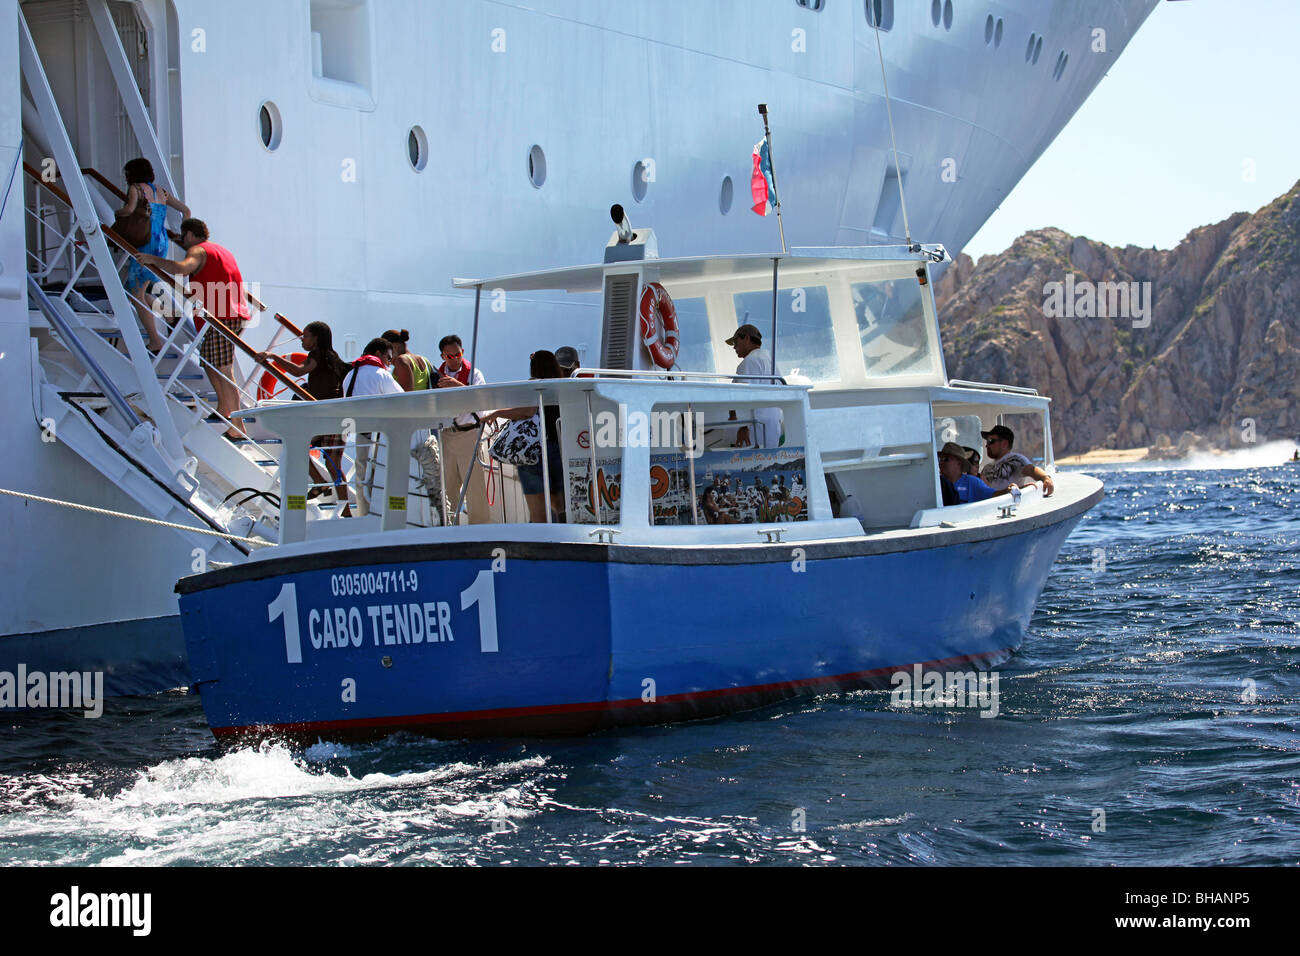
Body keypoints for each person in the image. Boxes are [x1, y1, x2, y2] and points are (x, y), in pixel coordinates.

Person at [138, 218, 249, 438]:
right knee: (210, 362)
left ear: (189, 234)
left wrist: (153, 260)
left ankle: (237, 424)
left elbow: (182, 268)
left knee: (224, 369)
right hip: (229, 313)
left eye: (183, 236)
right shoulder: (220, 250)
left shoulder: (198, 251)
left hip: (221, 315)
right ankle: (224, 409)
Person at [257, 321, 350, 509]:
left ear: (316, 339)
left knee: (295, 445)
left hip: (323, 418)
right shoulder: (333, 357)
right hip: (336, 417)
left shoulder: (317, 355)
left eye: (305, 336)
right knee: (334, 466)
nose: (302, 339)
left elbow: (298, 371)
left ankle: (320, 482)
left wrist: (273, 356)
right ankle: (345, 508)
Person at [118, 158, 190, 353]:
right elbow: (185, 210)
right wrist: (185, 233)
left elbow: (129, 210)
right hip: (161, 242)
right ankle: (169, 314)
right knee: (137, 289)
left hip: (145, 243)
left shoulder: (136, 189)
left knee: (136, 292)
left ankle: (155, 340)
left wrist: (118, 214)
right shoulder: (161, 191)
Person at [489, 350, 565, 523]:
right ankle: (562, 538)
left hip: (533, 451)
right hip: (557, 449)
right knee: (558, 503)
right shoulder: (561, 385)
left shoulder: (534, 384)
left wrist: (498, 413)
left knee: (537, 508)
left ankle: (541, 545)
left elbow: (527, 411)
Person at [343, 338, 403, 516]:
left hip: (361, 434)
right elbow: (402, 400)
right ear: (379, 354)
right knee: (383, 475)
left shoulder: (350, 374)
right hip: (381, 436)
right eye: (389, 358)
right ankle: (385, 514)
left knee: (362, 475)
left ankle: (364, 513)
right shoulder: (381, 374)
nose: (390, 363)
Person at [434, 334, 490, 524]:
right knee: (448, 486)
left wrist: (456, 386)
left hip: (469, 433)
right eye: (449, 356)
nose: (455, 358)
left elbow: (481, 400)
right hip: (446, 434)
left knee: (475, 487)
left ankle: (479, 529)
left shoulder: (474, 373)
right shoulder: (436, 376)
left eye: (457, 354)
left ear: (462, 352)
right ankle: (450, 527)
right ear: (443, 356)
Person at [726, 323, 782, 448]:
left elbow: (745, 397)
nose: (734, 347)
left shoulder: (750, 361)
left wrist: (744, 426)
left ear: (746, 338)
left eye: (736, 342)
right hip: (771, 427)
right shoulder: (770, 360)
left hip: (754, 431)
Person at [978, 425, 1055, 496]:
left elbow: (1032, 470)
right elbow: (983, 493)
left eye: (991, 441)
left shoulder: (1016, 460)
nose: (987, 445)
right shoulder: (986, 468)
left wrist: (1046, 478)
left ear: (1004, 444)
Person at [938, 442, 1011, 504]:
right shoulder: (935, 483)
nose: (940, 462)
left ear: (959, 463)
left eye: (945, 459)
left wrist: (1010, 489)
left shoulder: (973, 482)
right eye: (940, 459)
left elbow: (994, 495)